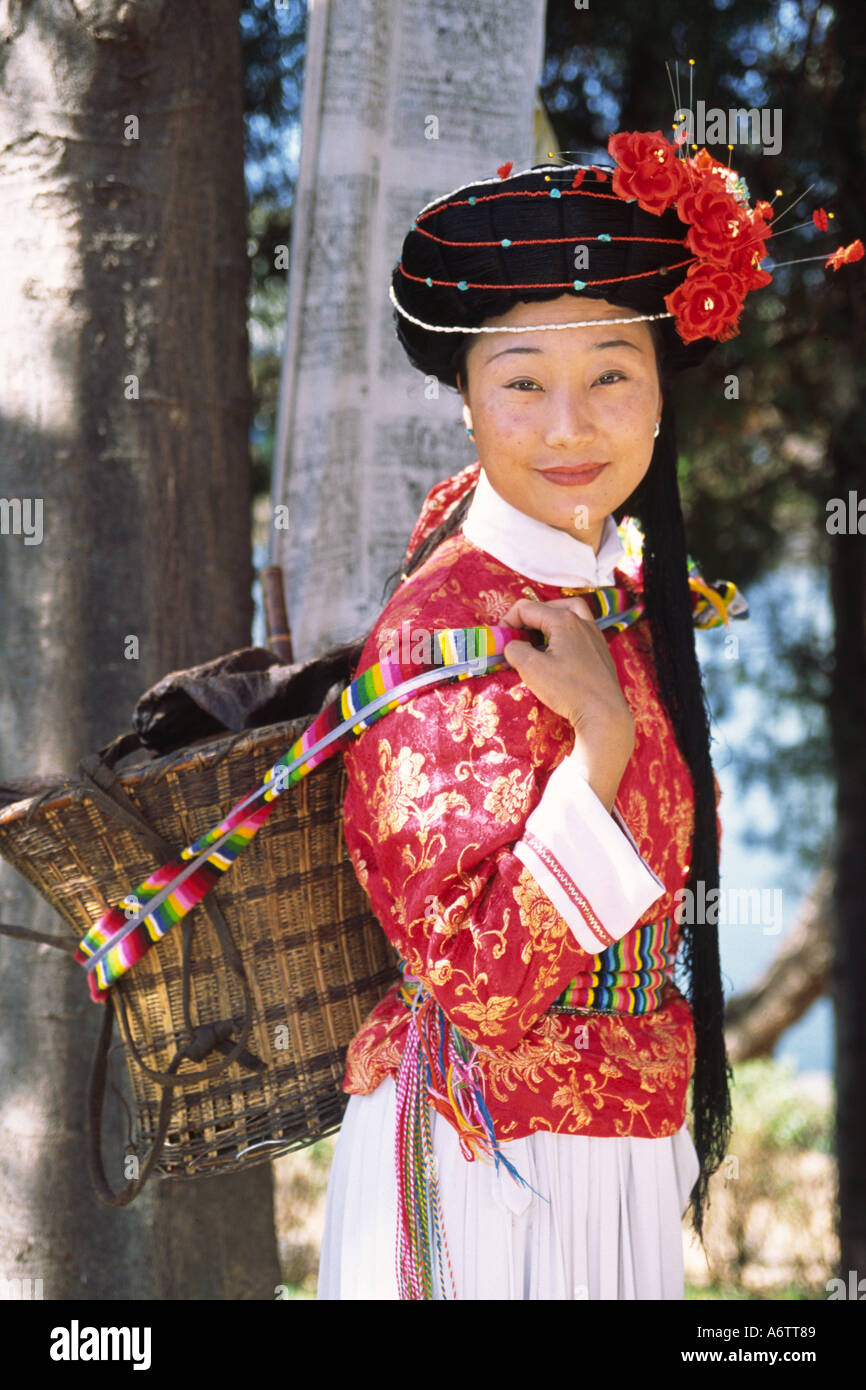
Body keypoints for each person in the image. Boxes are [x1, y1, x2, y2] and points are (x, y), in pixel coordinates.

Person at [315, 132, 769, 1301]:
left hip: (615, 1153)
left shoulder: (616, 600)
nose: (569, 424)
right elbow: (477, 979)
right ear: (466, 400)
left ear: (662, 389)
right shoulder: (436, 628)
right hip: (489, 1168)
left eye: (610, 373)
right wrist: (600, 751)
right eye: (521, 381)